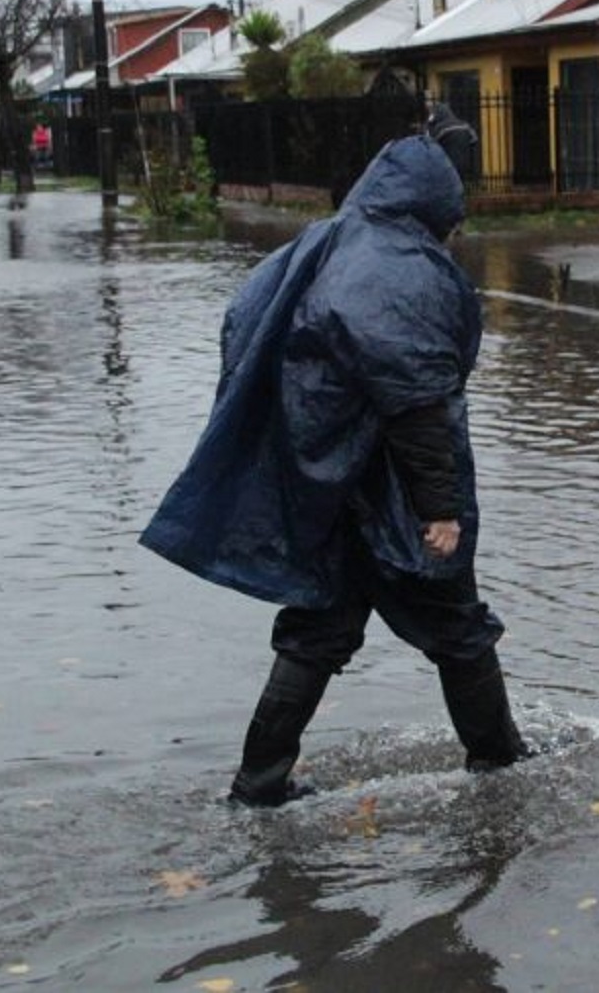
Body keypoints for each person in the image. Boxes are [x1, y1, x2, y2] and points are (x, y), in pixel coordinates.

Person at [140, 134, 528, 807]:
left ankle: (258, 784)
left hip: (321, 481)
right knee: (456, 625)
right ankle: (499, 765)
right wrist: (439, 508)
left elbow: (243, 331)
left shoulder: (319, 245)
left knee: (319, 628)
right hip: (386, 489)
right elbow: (416, 401)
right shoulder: (399, 269)